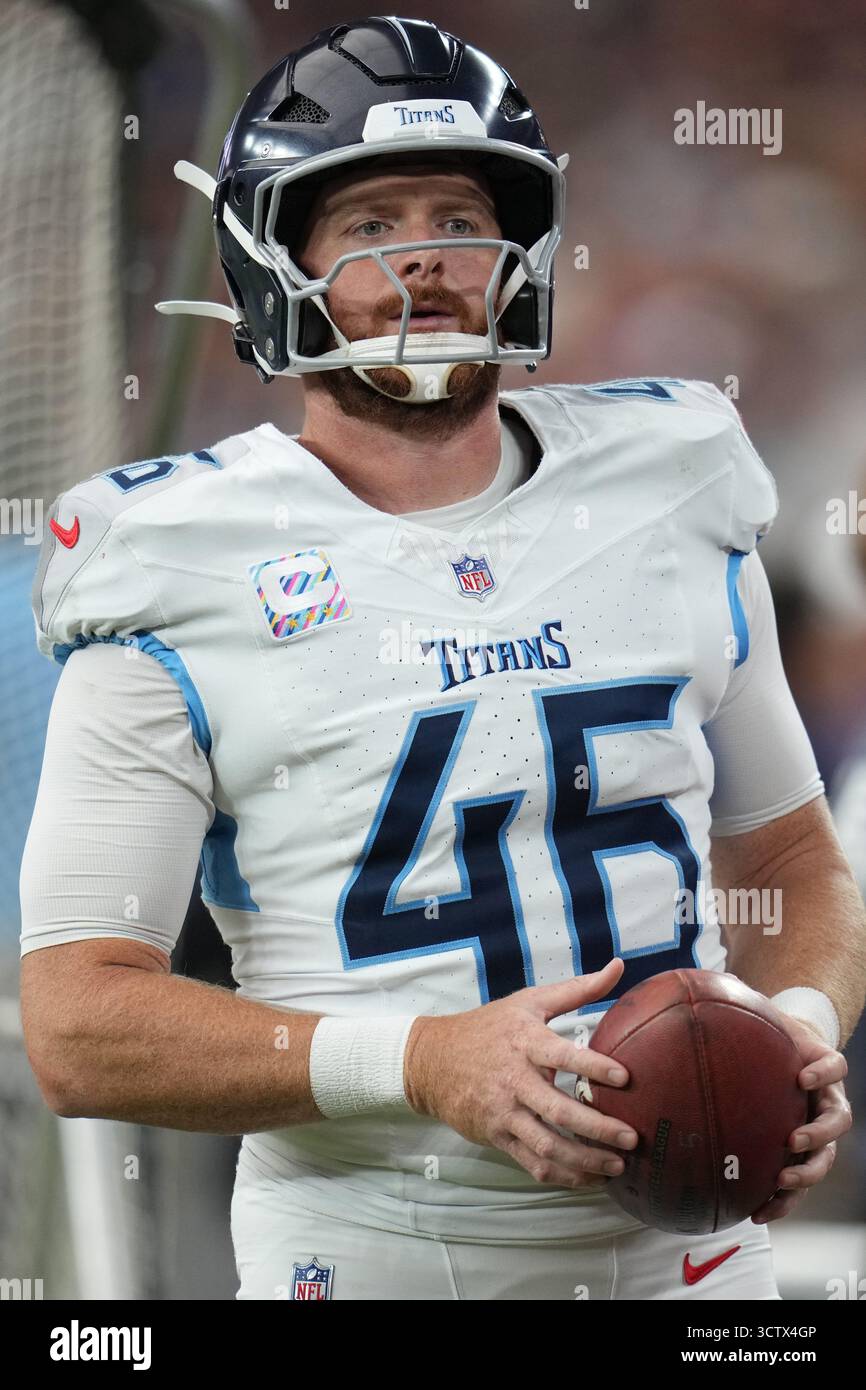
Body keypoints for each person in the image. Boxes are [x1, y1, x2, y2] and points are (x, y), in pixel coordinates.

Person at [19, 16, 861, 1301]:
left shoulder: (669, 478)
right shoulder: (172, 556)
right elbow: (81, 1025)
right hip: (376, 1254)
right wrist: (414, 1061)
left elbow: (796, 859)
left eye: (456, 218)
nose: (423, 265)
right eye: (366, 227)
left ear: (513, 249)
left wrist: (790, 1032)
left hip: (698, 1259)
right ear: (272, 259)